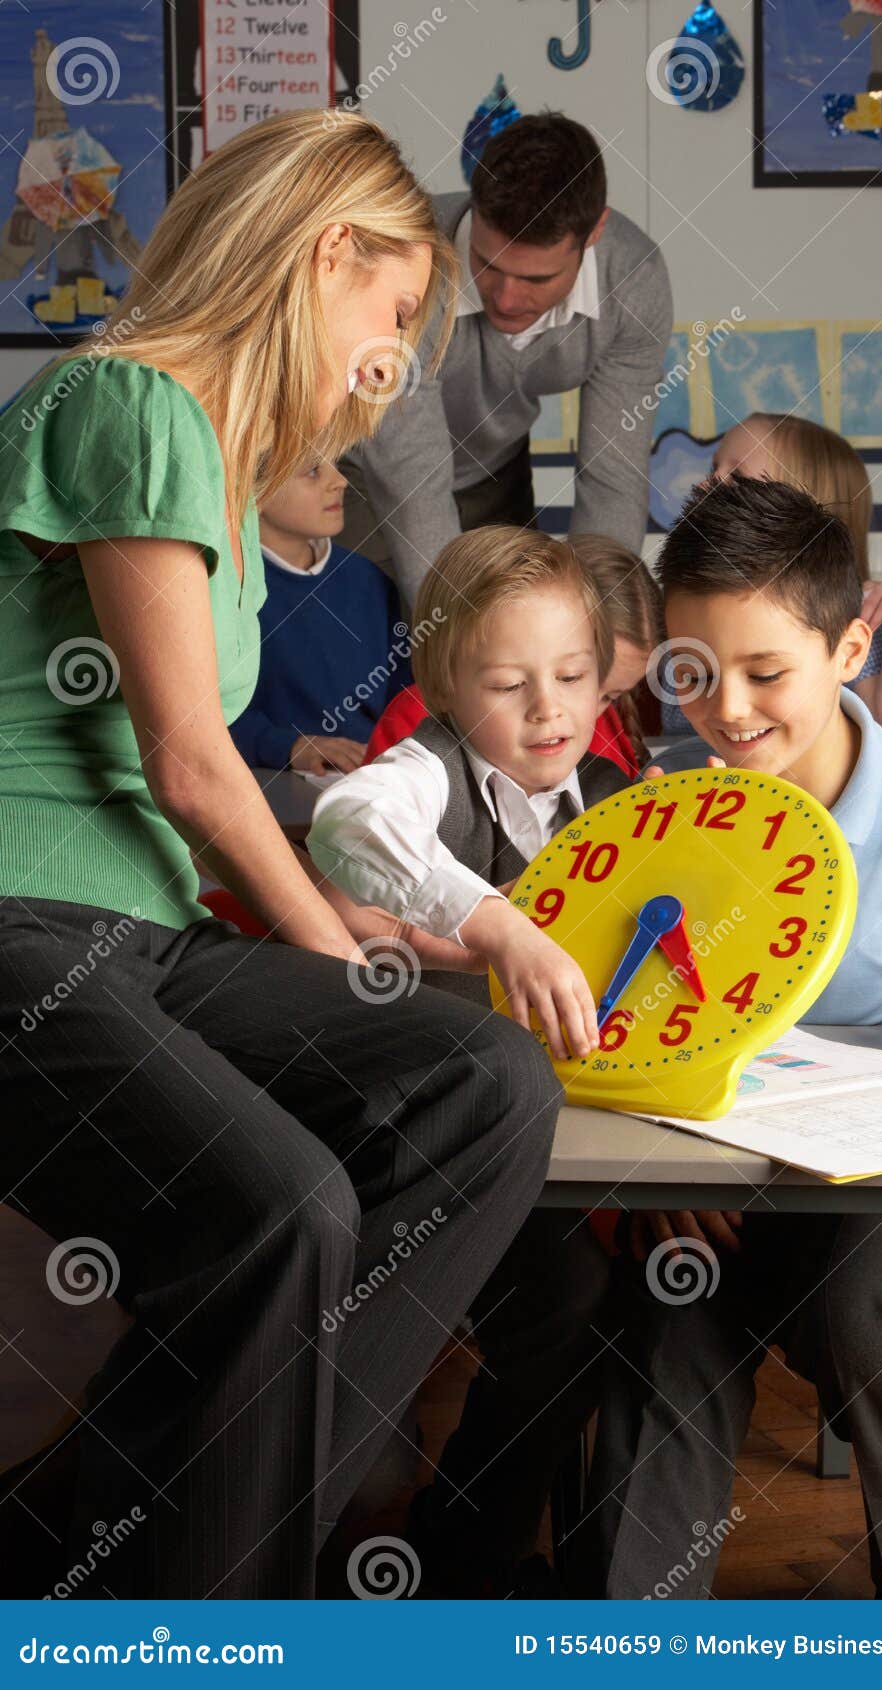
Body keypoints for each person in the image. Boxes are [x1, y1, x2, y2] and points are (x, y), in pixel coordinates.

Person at [0, 108, 562, 1600]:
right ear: (326, 254)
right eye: (387, 315)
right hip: (21, 928)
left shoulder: (216, 474)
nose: (383, 363)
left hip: (143, 935)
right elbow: (192, 766)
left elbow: (199, 812)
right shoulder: (135, 400)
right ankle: (185, 1581)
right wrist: (331, 946)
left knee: (480, 1081)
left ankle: (130, 1553)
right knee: (281, 1207)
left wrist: (386, 950)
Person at [574, 474, 882, 1601]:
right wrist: (652, 1163)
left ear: (848, 651)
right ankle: (631, 1631)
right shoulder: (668, 821)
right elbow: (615, 1015)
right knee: (668, 1296)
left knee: (866, 1306)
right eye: (696, 674)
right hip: (719, 1165)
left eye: (765, 673)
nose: (728, 709)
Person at [307, 525, 632, 1594]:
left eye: (574, 675)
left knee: (603, 1304)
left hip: (569, 1143)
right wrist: (489, 924)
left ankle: (480, 1553)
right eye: (507, 682)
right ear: (445, 682)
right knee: (554, 1303)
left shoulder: (616, 802)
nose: (549, 709)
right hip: (423, 1146)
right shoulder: (421, 772)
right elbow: (347, 820)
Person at [340, 114, 674, 610]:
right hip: (362, 472)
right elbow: (414, 484)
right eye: (488, 265)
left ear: (595, 231)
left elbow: (612, 480)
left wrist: (602, 631)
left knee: (528, 629)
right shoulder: (408, 267)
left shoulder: (633, 284)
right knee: (392, 640)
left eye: (537, 279)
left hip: (493, 471)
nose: (507, 298)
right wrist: (451, 638)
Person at [363, 531, 662, 777]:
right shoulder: (414, 732)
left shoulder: (607, 749)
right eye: (509, 684)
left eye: (610, 695)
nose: (554, 709)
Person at [706, 412, 882, 735]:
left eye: (735, 476)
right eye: (713, 469)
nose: (705, 485)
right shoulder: (693, 596)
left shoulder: (851, 611)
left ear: (802, 505)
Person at [229, 454, 409, 775]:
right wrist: (287, 747)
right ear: (254, 490)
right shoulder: (226, 587)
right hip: (268, 779)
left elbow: (404, 698)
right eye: (312, 471)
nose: (340, 481)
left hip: (373, 779)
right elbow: (204, 717)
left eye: (337, 465)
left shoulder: (369, 581)